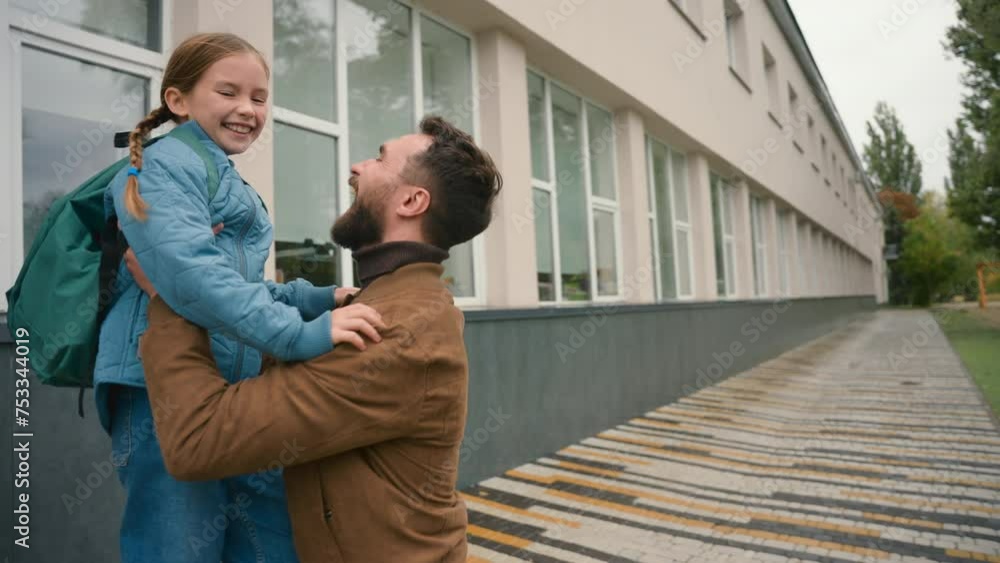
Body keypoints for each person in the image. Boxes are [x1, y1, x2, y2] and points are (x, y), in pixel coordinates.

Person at [126, 115, 502, 562]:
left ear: (412, 200)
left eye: (380, 158)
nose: (357, 167)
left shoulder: (395, 333)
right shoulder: (379, 302)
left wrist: (172, 294)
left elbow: (198, 440)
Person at [96, 33, 376, 563]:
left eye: (259, 97)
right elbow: (192, 277)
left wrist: (314, 298)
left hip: (232, 388)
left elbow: (235, 286)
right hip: (159, 390)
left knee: (266, 543)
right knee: (176, 549)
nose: (247, 109)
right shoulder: (164, 167)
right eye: (228, 92)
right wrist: (298, 334)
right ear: (178, 100)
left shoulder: (220, 172)